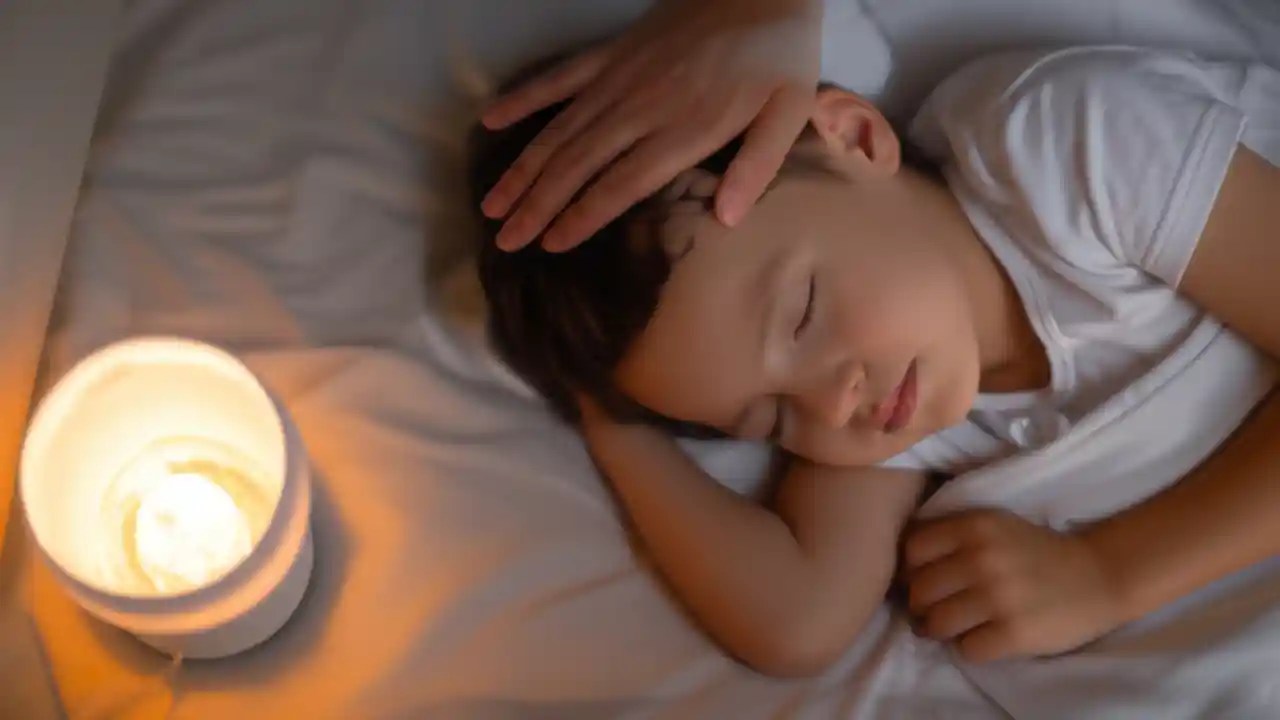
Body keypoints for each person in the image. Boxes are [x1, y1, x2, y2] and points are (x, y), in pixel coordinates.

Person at [473, 2, 1280, 678]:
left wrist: (1107, 575)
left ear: (857, 139)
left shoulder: (1060, 149)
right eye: (769, 421)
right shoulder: (900, 420)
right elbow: (798, 621)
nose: (831, 400)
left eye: (801, 314)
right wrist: (601, 412)